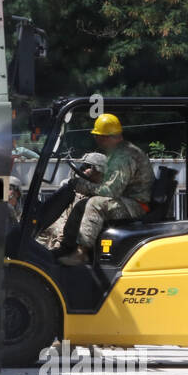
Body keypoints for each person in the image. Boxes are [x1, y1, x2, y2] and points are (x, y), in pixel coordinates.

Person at [60, 114, 153, 266]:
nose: (96, 140)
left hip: (137, 205)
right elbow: (113, 183)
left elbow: (111, 191)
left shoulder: (124, 156)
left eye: (98, 136)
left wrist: (83, 185)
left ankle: (81, 253)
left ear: (105, 137)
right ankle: (66, 247)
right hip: (126, 200)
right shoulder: (118, 153)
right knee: (82, 204)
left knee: (96, 204)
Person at [37, 152, 106, 251]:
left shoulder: (101, 195)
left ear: (100, 172)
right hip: (62, 238)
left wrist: (60, 244)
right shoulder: (77, 194)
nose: (84, 170)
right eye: (84, 166)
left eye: (89, 167)